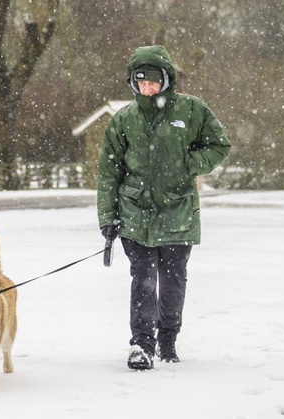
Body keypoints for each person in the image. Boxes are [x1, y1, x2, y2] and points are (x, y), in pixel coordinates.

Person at [96, 45, 231, 370]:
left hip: (178, 215)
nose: (147, 88)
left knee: (173, 281)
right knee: (142, 280)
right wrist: (108, 217)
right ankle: (141, 345)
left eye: (153, 82)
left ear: (166, 80)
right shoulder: (124, 120)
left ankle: (168, 339)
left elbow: (219, 145)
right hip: (135, 215)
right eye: (140, 82)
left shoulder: (191, 111)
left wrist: (189, 163)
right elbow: (108, 172)